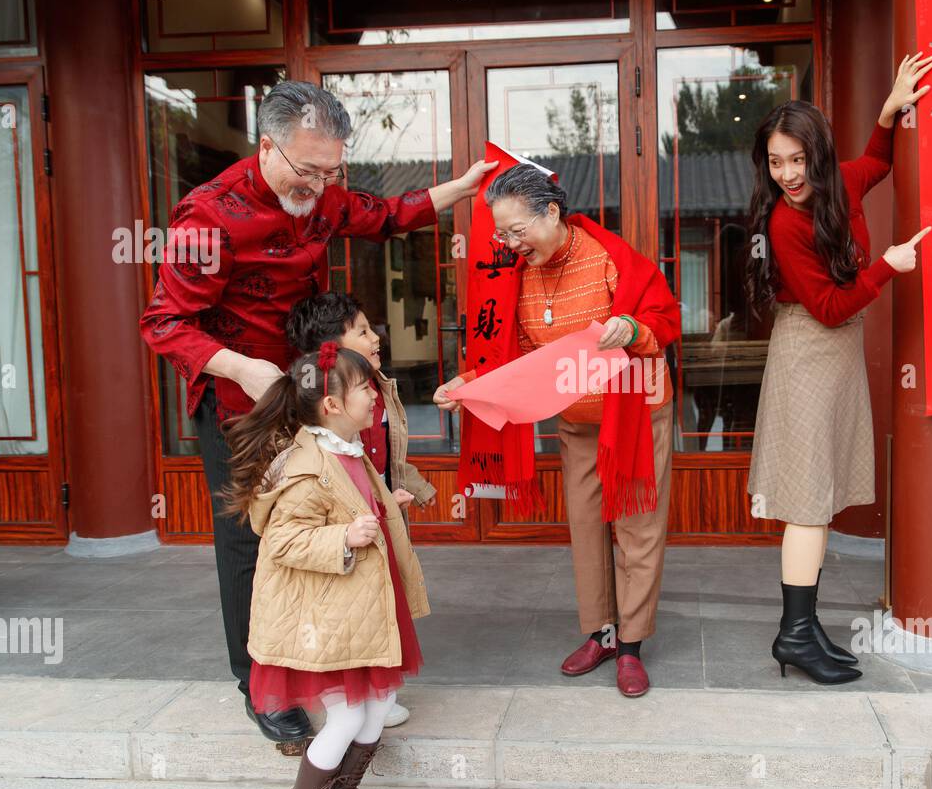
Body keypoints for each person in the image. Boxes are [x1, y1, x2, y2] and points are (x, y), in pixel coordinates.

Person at [139, 80, 493, 745]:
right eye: (308, 170)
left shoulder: (322, 194)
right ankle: (260, 687)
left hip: (309, 385)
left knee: (332, 526)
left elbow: (388, 214)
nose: (321, 185)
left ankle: (328, 666)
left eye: (332, 171)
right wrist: (243, 367)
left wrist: (465, 187)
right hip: (241, 401)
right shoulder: (208, 219)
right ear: (267, 147)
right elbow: (163, 323)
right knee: (254, 541)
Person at [434, 163, 680, 698]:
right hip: (577, 420)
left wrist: (633, 329)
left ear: (552, 212)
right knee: (588, 526)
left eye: (516, 230)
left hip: (634, 413)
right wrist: (470, 384)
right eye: (501, 233)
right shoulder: (515, 275)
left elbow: (665, 318)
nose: (508, 243)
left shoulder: (611, 258)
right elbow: (518, 355)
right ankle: (602, 634)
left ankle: (632, 647)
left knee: (636, 526)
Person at [745, 56, 932, 684]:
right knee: (806, 501)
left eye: (797, 159)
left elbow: (876, 163)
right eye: (776, 162)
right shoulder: (784, 221)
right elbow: (826, 307)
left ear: (816, 156)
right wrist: (889, 266)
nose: (788, 174)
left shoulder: (838, 187)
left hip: (836, 355)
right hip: (807, 351)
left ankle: (804, 628)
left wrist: (889, 109)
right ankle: (794, 634)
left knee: (818, 501)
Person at [223, 343, 428, 789]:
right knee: (349, 713)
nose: (374, 395)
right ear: (332, 405)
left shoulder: (347, 451)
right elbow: (283, 541)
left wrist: (382, 508)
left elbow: (350, 507)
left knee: (379, 704)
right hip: (330, 615)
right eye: (364, 388)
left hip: (364, 607)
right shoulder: (307, 466)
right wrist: (343, 538)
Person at [286, 290, 437, 729]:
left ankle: (381, 692)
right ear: (330, 347)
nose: (377, 338)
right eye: (364, 331)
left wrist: (409, 491)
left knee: (388, 602)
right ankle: (349, 698)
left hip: (379, 520)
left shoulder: (378, 388)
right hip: (344, 533)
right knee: (351, 612)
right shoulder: (318, 404)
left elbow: (389, 458)